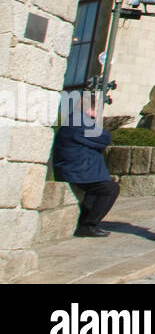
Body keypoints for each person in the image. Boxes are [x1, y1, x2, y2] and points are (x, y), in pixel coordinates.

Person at [51, 90, 118, 238]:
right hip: (75, 171)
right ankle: (88, 225)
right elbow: (104, 138)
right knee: (110, 189)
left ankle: (86, 222)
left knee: (103, 186)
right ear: (90, 109)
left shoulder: (77, 120)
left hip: (78, 169)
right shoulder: (79, 122)